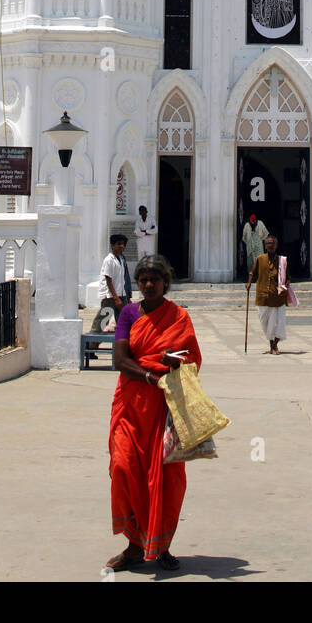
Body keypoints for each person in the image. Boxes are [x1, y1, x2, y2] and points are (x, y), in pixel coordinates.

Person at [106, 254, 202, 572]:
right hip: (131, 405)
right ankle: (134, 544)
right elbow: (119, 360)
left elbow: (192, 359)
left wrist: (175, 362)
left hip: (163, 408)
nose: (148, 285)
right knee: (124, 467)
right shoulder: (129, 314)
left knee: (163, 478)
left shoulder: (178, 316)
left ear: (166, 283)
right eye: (144, 279)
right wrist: (151, 375)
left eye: (154, 280)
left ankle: (159, 546)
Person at [246, 234, 290, 355]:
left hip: (277, 298)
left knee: (278, 323)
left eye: (272, 244)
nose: (270, 246)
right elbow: (252, 272)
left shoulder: (282, 261)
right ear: (265, 246)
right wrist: (249, 283)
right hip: (263, 296)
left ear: (276, 246)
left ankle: (274, 345)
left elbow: (288, 278)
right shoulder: (260, 259)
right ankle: (272, 344)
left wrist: (284, 287)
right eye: (268, 244)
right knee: (264, 322)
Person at [91, 235, 128, 334]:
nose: (121, 246)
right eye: (119, 244)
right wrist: (116, 298)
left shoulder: (121, 259)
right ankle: (91, 343)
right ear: (112, 245)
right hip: (110, 297)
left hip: (121, 295)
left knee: (124, 320)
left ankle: (122, 343)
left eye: (123, 244)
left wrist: (125, 296)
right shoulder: (109, 260)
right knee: (102, 322)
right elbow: (108, 279)